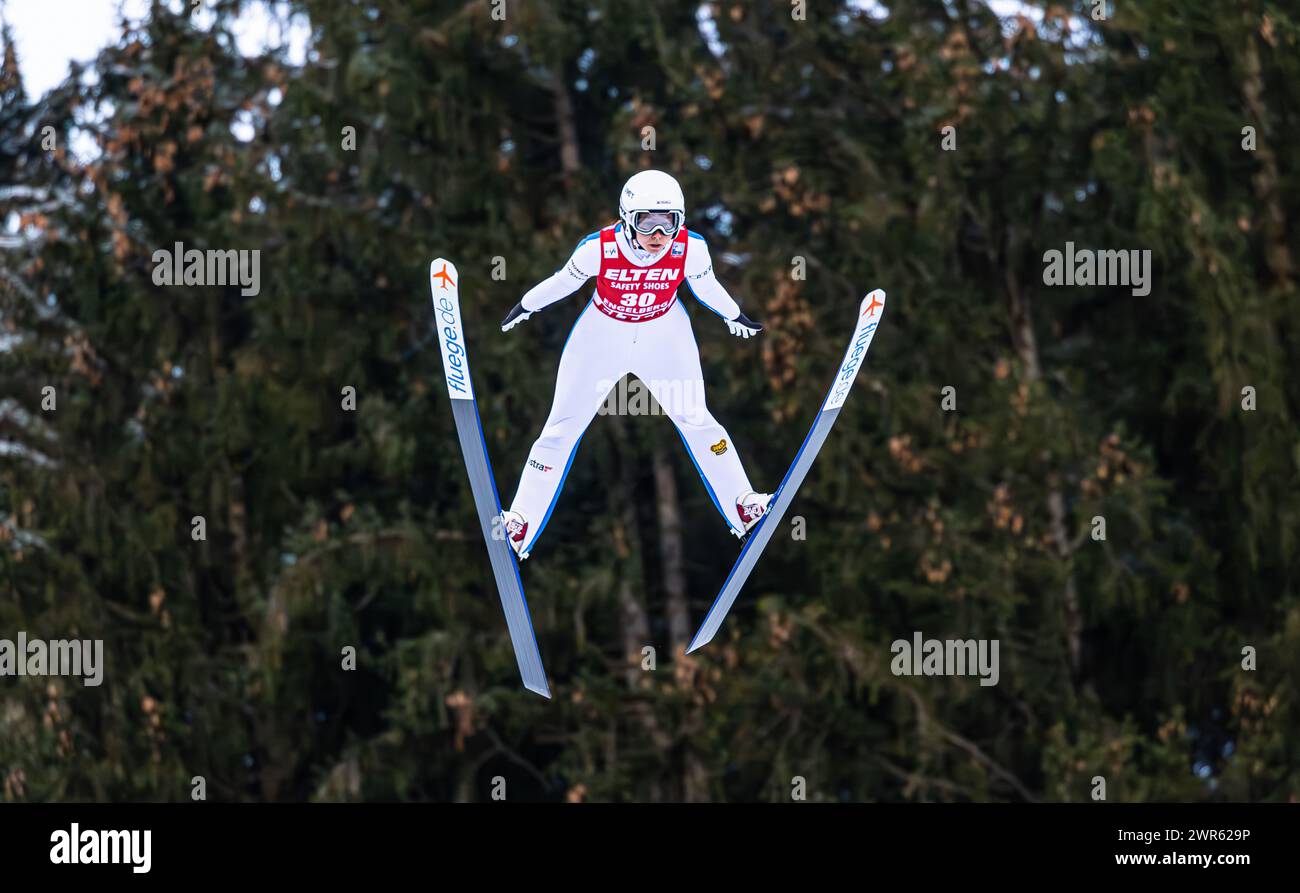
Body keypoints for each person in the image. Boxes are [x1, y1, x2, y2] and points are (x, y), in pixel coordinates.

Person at [498, 169, 769, 559]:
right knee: (560, 429)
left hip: (663, 335)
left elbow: (707, 287)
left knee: (697, 418)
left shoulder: (690, 249)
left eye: (669, 223)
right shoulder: (599, 248)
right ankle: (520, 523)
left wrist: (733, 315)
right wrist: (526, 304)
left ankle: (744, 507)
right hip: (602, 335)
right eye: (647, 222)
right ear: (627, 218)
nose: (658, 235)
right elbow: (563, 283)